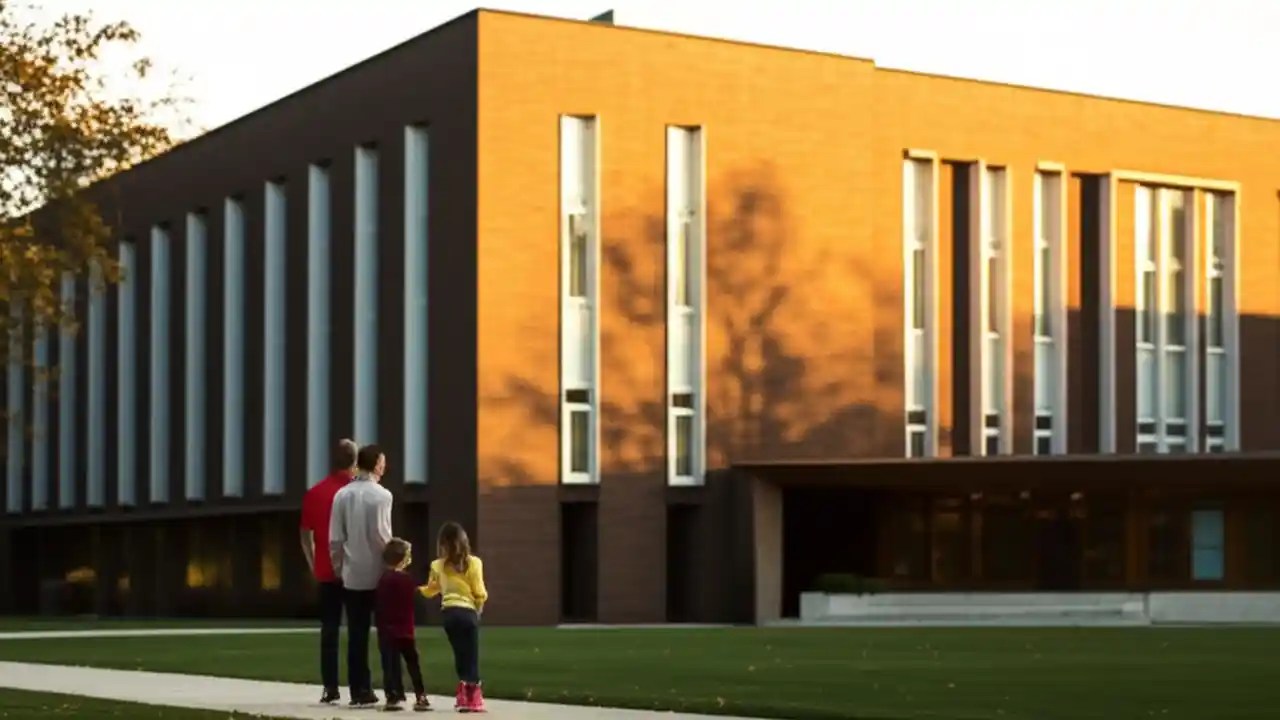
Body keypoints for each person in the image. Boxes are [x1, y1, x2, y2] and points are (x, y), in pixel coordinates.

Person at [329, 443, 394, 708]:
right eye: (383, 461)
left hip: (352, 574)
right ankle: (393, 689)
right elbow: (382, 536)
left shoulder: (341, 495)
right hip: (378, 574)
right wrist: (399, 560)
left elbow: (335, 539)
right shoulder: (382, 495)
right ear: (377, 464)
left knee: (357, 635)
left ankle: (359, 690)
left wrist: (338, 567)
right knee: (388, 634)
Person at [299, 438, 357, 705]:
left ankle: (330, 688)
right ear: (355, 461)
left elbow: (304, 536)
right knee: (358, 630)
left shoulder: (315, 493)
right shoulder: (359, 491)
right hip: (356, 571)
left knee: (329, 631)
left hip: (326, 571)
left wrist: (313, 564)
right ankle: (359, 688)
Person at [420, 522, 488, 713]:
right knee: (471, 654)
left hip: (449, 614)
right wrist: (479, 609)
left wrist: (419, 591)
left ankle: (463, 692)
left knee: (460, 654)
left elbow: (432, 589)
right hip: (468, 612)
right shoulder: (474, 563)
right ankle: (473, 696)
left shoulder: (437, 565)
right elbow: (479, 591)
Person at [376, 538, 431, 712]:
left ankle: (393, 697)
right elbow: (414, 598)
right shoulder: (407, 581)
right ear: (403, 559)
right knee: (413, 664)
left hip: (388, 631)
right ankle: (420, 696)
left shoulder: (383, 580)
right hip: (406, 630)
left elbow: (379, 605)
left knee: (391, 665)